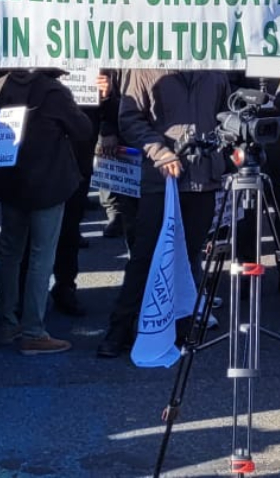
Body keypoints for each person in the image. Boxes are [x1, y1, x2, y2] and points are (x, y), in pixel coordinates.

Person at [99, 65, 231, 359]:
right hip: (161, 180)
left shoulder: (215, 70)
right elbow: (130, 118)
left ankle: (180, 331)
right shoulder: (145, 66)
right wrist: (160, 151)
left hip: (202, 178)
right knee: (145, 256)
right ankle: (119, 331)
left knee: (189, 256)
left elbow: (225, 115)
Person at [0, 59, 91, 356]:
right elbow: (82, 130)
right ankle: (33, 330)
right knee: (41, 258)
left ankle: (7, 324)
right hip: (47, 184)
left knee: (10, 254)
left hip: (9, 183)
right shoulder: (52, 90)